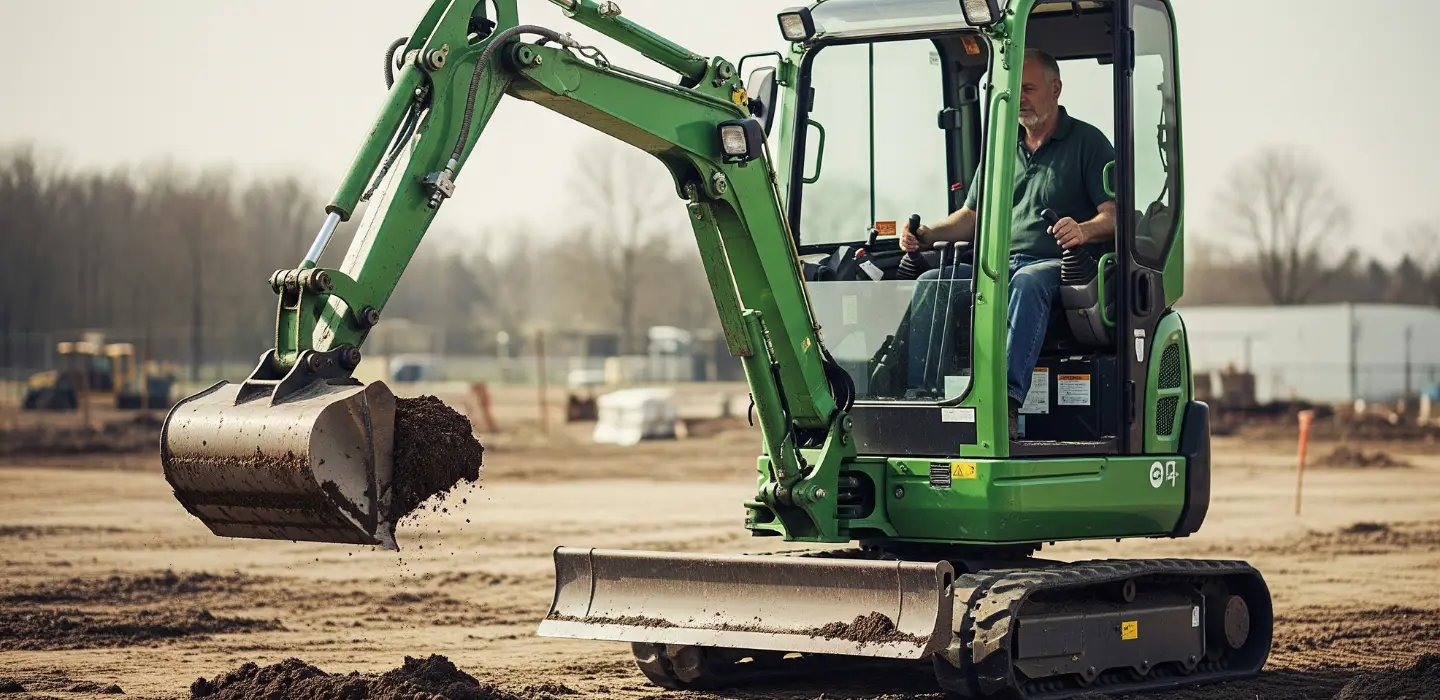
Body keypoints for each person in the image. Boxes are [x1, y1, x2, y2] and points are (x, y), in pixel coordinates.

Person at [903, 48, 1116, 439]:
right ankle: (922, 397)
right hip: (998, 265)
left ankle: (1006, 404)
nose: (1019, 97)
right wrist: (929, 236)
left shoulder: (1089, 143)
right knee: (932, 283)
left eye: (1029, 88)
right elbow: (971, 217)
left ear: (1056, 89)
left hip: (1058, 267)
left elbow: (1115, 215)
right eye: (1013, 88)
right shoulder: (1000, 150)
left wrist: (1082, 231)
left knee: (1028, 281)